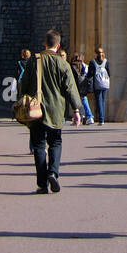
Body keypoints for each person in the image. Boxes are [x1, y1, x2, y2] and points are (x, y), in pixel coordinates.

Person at [17, 29, 82, 192]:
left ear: (44, 43)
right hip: (56, 111)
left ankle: (42, 184)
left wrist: (21, 100)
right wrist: (76, 110)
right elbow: (70, 88)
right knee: (55, 142)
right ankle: (53, 172)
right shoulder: (63, 64)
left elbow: (23, 84)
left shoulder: (34, 61)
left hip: (36, 110)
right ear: (58, 45)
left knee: (39, 145)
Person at [88, 46, 111, 124]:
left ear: (95, 53)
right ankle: (102, 118)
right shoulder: (106, 62)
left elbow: (90, 74)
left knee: (99, 101)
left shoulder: (93, 62)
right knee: (103, 101)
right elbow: (109, 73)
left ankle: (101, 119)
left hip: (97, 84)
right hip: (105, 84)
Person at [70, 51, 94, 124]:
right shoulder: (84, 66)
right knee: (84, 100)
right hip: (83, 86)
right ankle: (87, 117)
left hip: (75, 86)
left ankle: (79, 117)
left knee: (75, 101)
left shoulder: (72, 66)